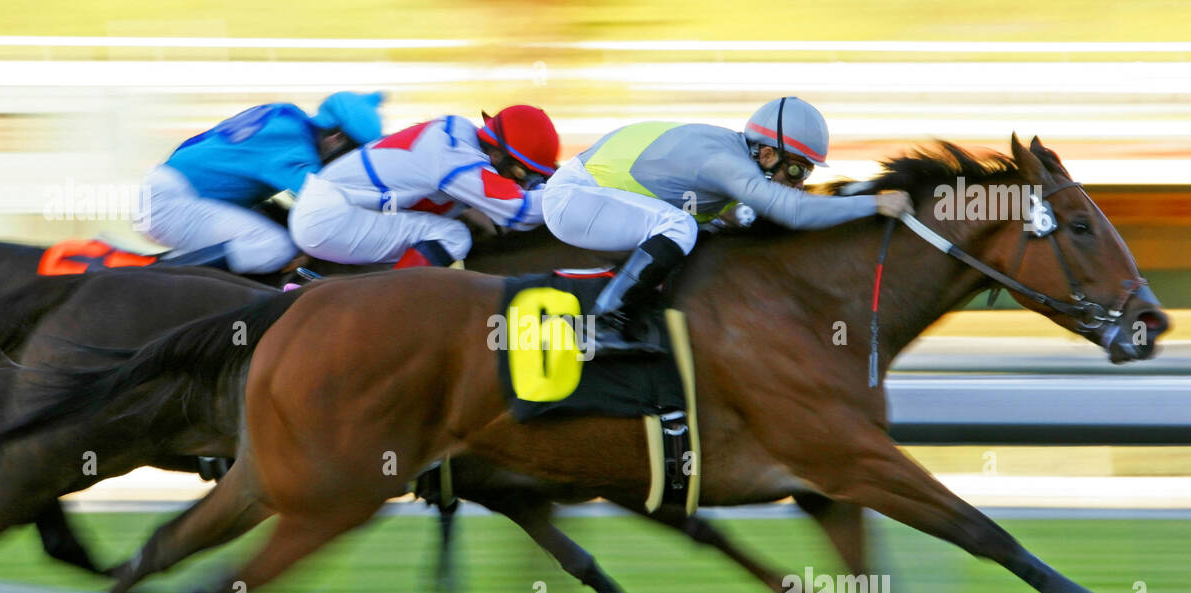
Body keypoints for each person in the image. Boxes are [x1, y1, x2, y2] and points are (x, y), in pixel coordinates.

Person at [542, 96, 915, 356]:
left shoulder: (735, 156)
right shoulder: (725, 161)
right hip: (574, 200)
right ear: (767, 154)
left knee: (701, 229)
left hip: (596, 191)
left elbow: (748, 213)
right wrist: (874, 204)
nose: (801, 182)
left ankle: (635, 309)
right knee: (680, 228)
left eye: (808, 172)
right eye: (798, 169)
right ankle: (601, 323)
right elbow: (793, 211)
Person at [135, 91, 385, 273]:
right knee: (275, 247)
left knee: (275, 222)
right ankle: (157, 275)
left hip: (173, 191)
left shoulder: (288, 118)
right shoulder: (295, 149)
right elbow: (328, 204)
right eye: (351, 154)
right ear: (336, 138)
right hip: (172, 205)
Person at [287, 105, 558, 269]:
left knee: (439, 223)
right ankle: (389, 307)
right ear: (498, 155)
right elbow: (520, 213)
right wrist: (560, 191)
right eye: (522, 174)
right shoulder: (457, 160)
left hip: (336, 205)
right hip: (330, 218)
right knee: (454, 236)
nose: (523, 183)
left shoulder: (459, 132)